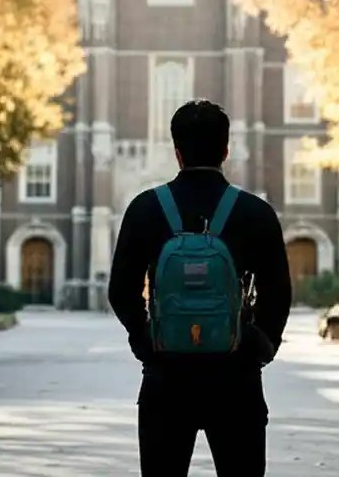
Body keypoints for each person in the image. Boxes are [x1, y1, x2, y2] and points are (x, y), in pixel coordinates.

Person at [109, 99, 292, 477]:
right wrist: (259, 344)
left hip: (166, 378)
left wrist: (146, 340)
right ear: (226, 150)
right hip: (235, 376)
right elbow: (278, 292)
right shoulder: (255, 212)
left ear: (176, 152)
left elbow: (120, 290)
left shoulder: (145, 208)